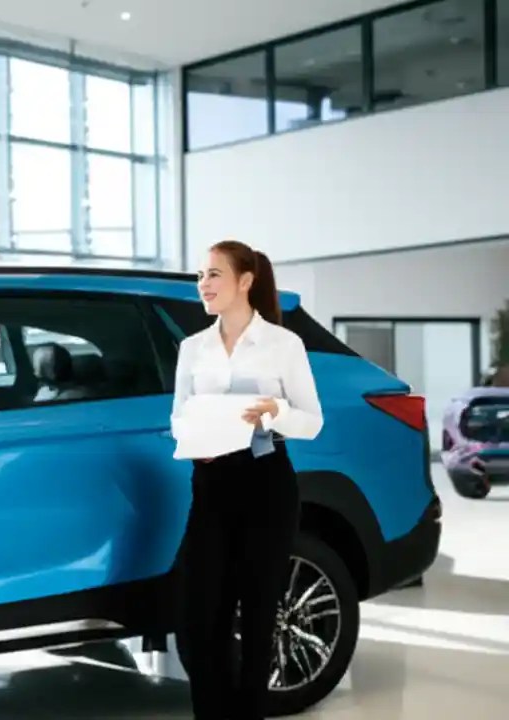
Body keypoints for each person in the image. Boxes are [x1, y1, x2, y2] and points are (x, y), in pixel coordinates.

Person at [171, 239, 324, 720]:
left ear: (245, 281)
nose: (204, 284)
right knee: (200, 621)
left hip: (266, 484)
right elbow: (177, 417)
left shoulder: (283, 344)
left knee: (258, 621)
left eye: (214, 274)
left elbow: (313, 421)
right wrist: (196, 434)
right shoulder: (192, 348)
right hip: (211, 484)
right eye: (200, 275)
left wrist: (277, 412)